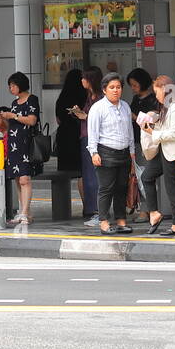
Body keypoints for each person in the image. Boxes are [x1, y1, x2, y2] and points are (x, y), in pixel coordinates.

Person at [86, 73, 135, 235]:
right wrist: (94, 152)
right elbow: (92, 132)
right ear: (104, 90)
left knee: (121, 188)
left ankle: (121, 220)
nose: (116, 90)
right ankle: (104, 221)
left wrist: (132, 153)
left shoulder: (125, 106)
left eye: (118, 87)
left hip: (124, 153)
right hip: (105, 152)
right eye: (112, 87)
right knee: (106, 188)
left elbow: (130, 132)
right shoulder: (98, 108)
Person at [142, 77, 175, 236]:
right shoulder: (167, 107)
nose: (156, 96)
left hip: (173, 152)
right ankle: (154, 213)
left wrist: (152, 132)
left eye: (156, 92)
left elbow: (174, 133)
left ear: (164, 89)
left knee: (172, 187)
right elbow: (166, 128)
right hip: (165, 150)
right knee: (147, 176)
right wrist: (153, 121)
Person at [1, 72, 40, 226]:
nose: (11, 88)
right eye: (9, 86)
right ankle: (24, 211)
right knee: (18, 179)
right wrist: (6, 117)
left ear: (20, 85)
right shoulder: (15, 103)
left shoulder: (32, 99)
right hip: (14, 143)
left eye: (13, 85)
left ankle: (24, 212)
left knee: (25, 178)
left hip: (26, 143)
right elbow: (12, 123)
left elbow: (32, 120)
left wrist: (13, 116)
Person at [72, 66, 103, 227]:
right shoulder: (90, 96)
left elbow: (99, 117)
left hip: (94, 139)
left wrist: (85, 116)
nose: (82, 80)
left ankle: (98, 212)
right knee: (89, 177)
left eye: (84, 77)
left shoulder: (99, 97)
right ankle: (94, 211)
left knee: (94, 178)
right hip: (86, 136)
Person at [126, 68, 156, 222]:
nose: (133, 88)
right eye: (131, 85)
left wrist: (134, 116)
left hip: (148, 144)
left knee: (145, 176)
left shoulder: (152, 100)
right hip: (136, 141)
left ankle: (149, 210)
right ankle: (145, 209)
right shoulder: (136, 99)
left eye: (135, 84)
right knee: (139, 176)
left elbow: (149, 124)